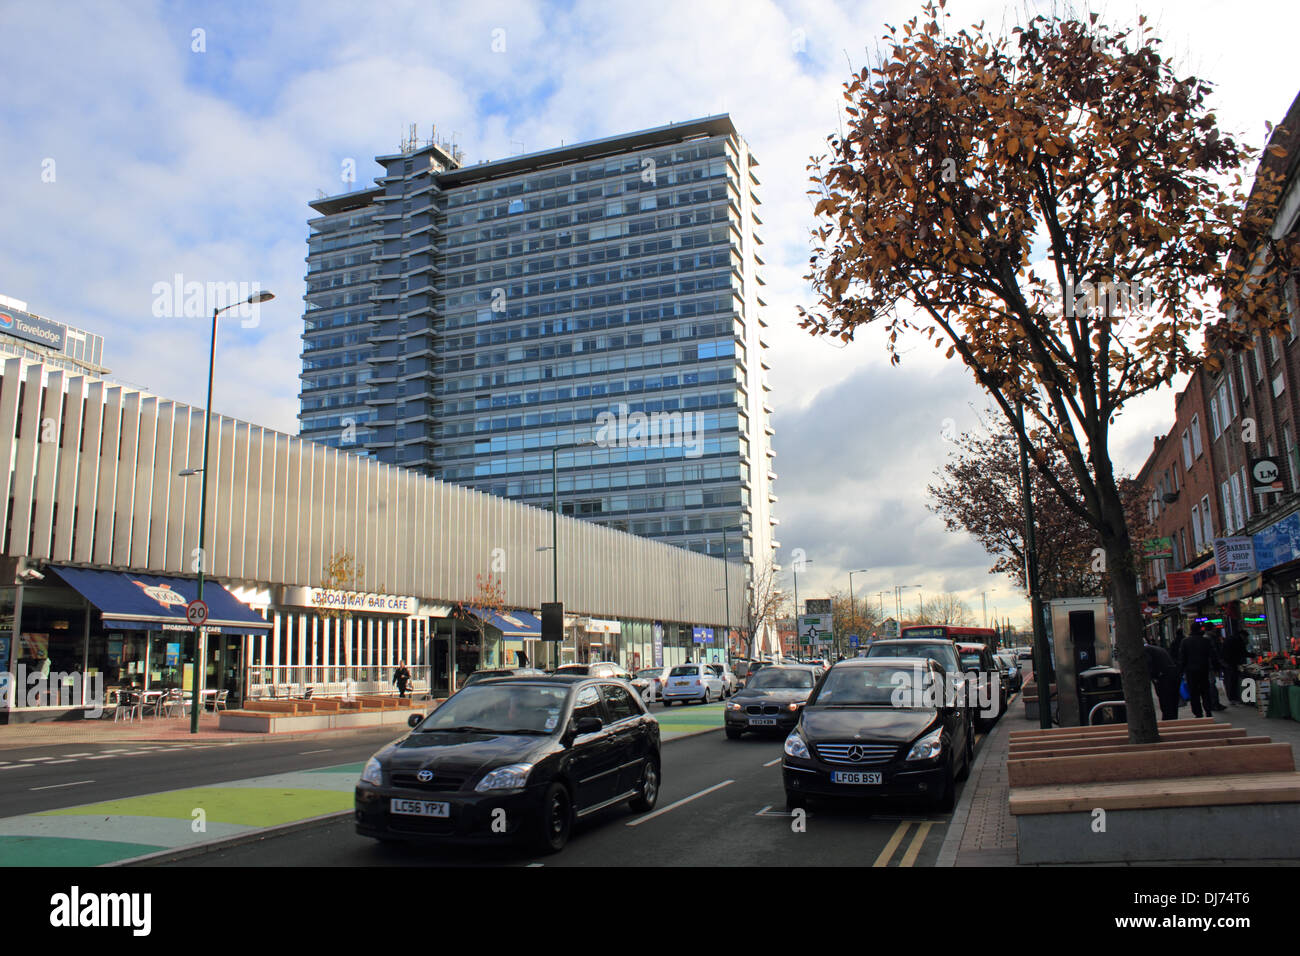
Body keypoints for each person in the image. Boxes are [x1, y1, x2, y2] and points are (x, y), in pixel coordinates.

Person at [1177, 624, 1222, 719]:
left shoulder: (1185, 641)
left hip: (1190, 671)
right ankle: (1208, 711)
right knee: (1205, 691)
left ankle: (1198, 713)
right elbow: (1213, 655)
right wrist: (1217, 668)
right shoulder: (1205, 641)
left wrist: (1180, 671)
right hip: (1204, 669)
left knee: (1194, 693)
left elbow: (1182, 658)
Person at [1144, 636, 1181, 721]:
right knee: (1172, 701)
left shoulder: (1145, 651)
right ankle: (1173, 719)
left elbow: (1149, 666)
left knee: (1166, 701)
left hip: (1164, 677)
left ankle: (1168, 720)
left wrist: (1150, 678)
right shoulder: (1156, 649)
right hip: (1172, 674)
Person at [1223, 628, 1248, 704]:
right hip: (1232, 663)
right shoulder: (1238, 641)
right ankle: (1234, 697)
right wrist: (1253, 655)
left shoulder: (1230, 639)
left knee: (1230, 680)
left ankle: (1232, 697)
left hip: (1227, 662)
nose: (1246, 639)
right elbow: (1242, 652)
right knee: (1233, 680)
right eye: (1245, 637)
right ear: (1242, 635)